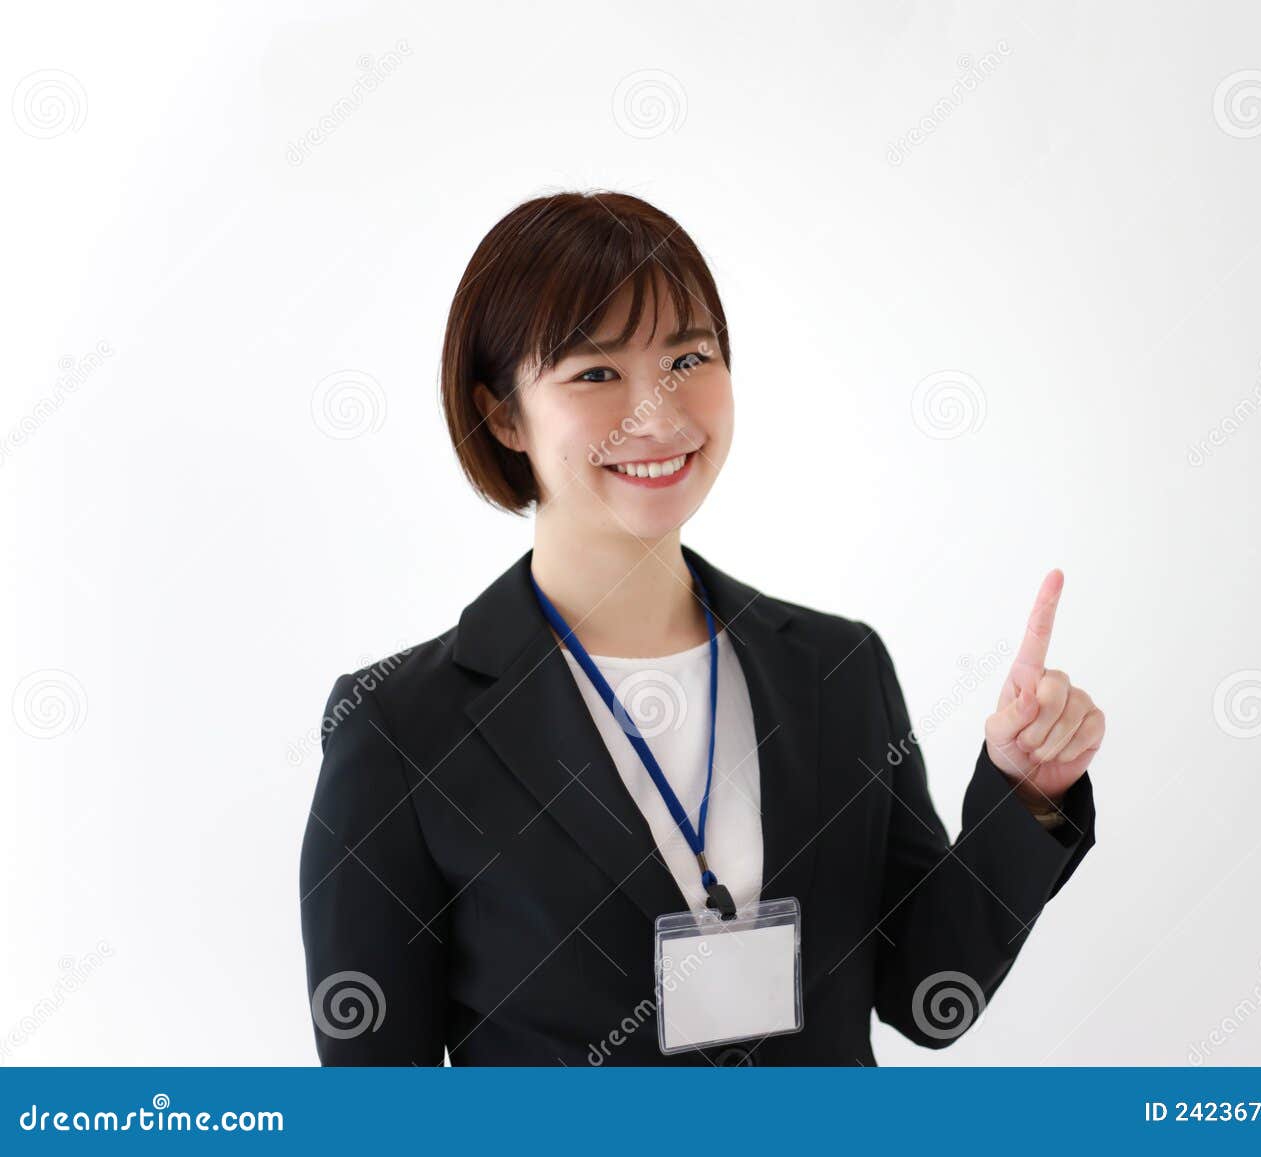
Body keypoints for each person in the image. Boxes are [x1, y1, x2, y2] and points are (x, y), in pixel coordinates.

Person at [298, 191, 1105, 1066]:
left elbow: (928, 996)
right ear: (502, 414)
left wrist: (1025, 795)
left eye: (688, 357)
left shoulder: (838, 668)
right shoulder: (403, 730)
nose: (657, 413)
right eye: (595, 373)